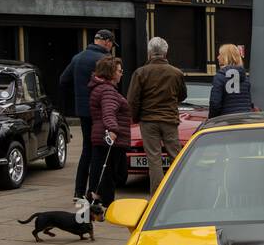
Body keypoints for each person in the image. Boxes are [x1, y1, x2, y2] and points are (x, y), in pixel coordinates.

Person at [58, 28, 115, 201]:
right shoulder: (104, 59)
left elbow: (63, 80)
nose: (111, 47)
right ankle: (93, 192)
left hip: (82, 111)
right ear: (106, 41)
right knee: (99, 151)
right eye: (112, 44)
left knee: (86, 150)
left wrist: (79, 95)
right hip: (99, 111)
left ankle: (78, 191)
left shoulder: (78, 57)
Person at [126, 37, 187, 191]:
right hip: (169, 119)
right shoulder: (176, 73)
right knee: (176, 156)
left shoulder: (140, 73)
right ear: (166, 53)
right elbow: (182, 95)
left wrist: (135, 118)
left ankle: (157, 195)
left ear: (149, 53)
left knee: (154, 159)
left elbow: (132, 100)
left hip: (148, 120)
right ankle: (181, 189)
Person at [88, 56, 130, 212]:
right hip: (110, 139)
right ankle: (105, 205)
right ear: (111, 72)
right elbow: (108, 112)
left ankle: (95, 203)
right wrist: (112, 130)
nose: (121, 73)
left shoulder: (101, 88)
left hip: (101, 137)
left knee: (104, 173)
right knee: (112, 175)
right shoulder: (107, 90)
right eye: (119, 71)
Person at [208, 44, 253, 116]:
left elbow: (215, 104)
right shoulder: (245, 78)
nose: (217, 57)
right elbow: (249, 102)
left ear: (226, 57)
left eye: (220, 54)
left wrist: (211, 120)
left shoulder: (220, 77)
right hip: (245, 119)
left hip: (227, 120)